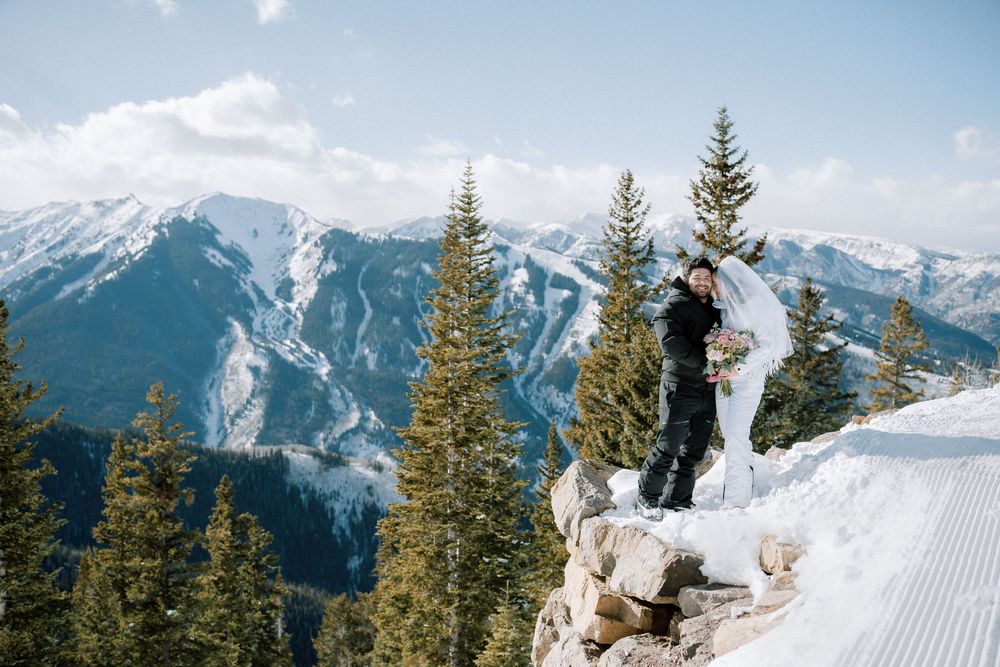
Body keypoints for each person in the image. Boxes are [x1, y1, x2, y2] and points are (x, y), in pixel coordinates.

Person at [636, 256, 722, 520]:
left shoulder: (715, 307)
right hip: (680, 387)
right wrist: (708, 361)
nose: (702, 282)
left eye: (707, 278)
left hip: (707, 390)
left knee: (693, 451)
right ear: (687, 278)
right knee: (669, 446)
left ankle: (677, 500)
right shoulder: (673, 305)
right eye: (697, 277)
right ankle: (647, 497)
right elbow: (671, 343)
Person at [711, 256, 793, 508]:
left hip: (747, 383)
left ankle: (735, 503)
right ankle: (745, 484)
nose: (714, 288)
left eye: (716, 283)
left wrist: (736, 367)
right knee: (731, 437)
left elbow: (766, 347)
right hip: (724, 383)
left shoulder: (756, 306)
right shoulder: (724, 307)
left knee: (736, 435)